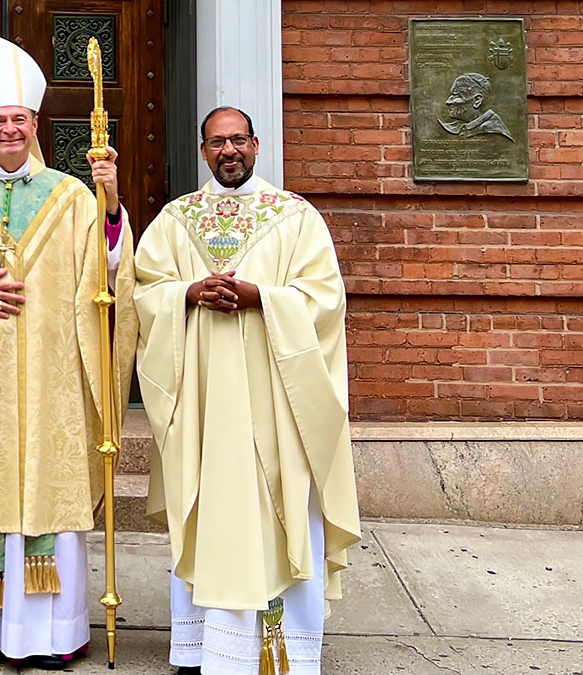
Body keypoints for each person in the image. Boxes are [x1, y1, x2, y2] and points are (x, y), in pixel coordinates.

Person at [0, 37, 138, 671]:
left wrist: (112, 200)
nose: (9, 129)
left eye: (19, 119)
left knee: (48, 479)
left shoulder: (73, 197)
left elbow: (112, 271)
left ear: (36, 124)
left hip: (51, 376)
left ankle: (44, 635)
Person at [134, 106, 361, 675]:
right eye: (217, 142)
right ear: (202, 152)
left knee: (276, 506)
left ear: (257, 146)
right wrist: (187, 292)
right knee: (211, 507)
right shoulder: (177, 218)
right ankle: (202, 648)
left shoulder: (295, 216)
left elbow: (325, 299)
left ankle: (279, 652)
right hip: (205, 404)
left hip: (276, 404)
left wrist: (265, 297)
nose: (228, 150)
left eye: (238, 140)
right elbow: (144, 290)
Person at [441, 73, 514, 141]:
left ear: (477, 100)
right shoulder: (456, 126)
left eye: (456, 95)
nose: (448, 102)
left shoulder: (494, 133)